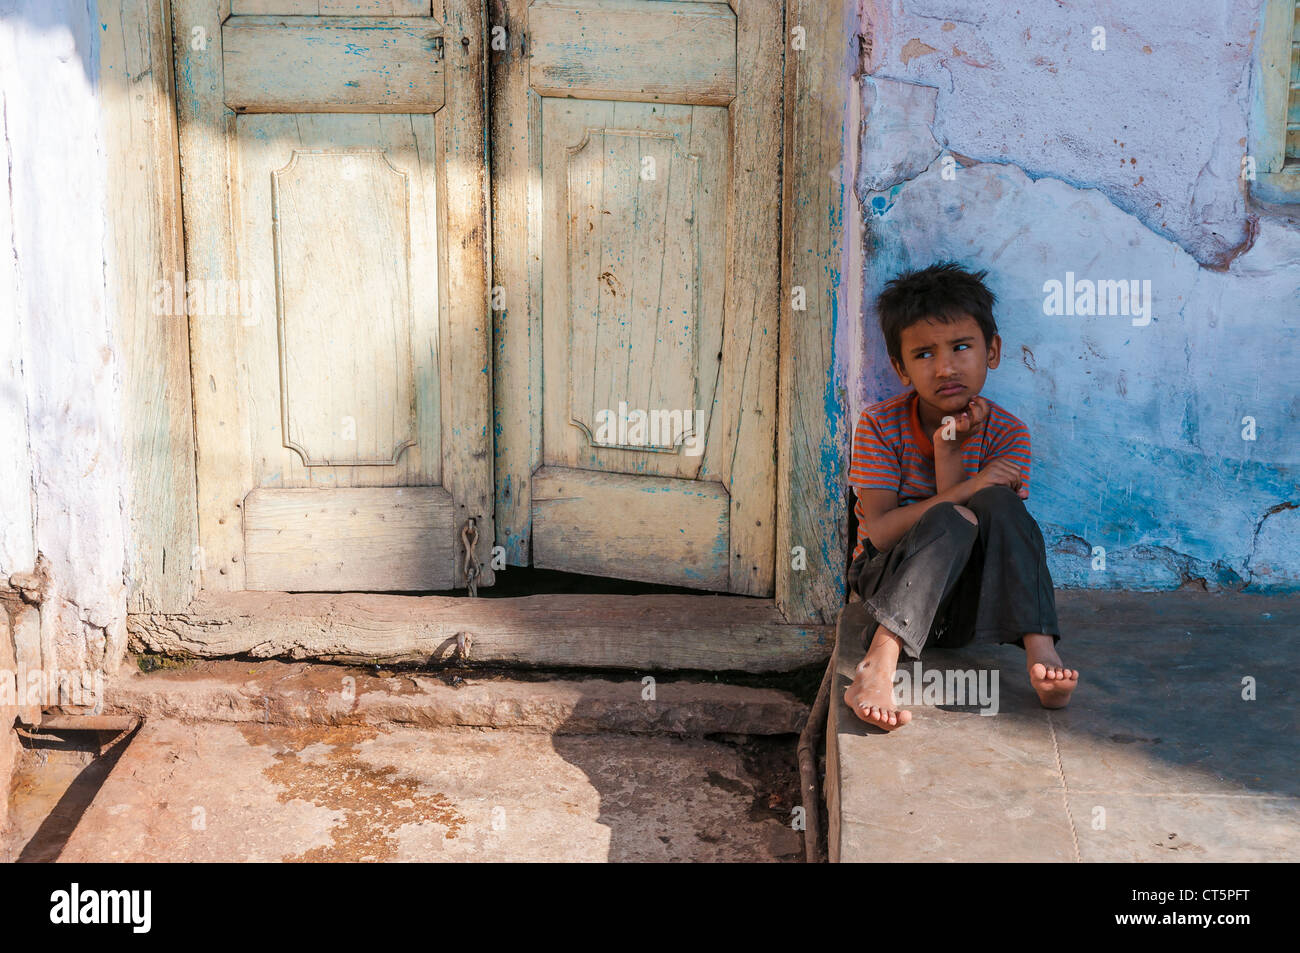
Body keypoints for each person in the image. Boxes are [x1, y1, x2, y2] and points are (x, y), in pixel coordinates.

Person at [844, 262, 1078, 731]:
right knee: (957, 513)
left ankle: (1040, 648)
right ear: (900, 368)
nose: (946, 367)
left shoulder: (1008, 433)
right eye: (924, 354)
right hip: (888, 585)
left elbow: (994, 535)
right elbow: (884, 534)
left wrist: (952, 450)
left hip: (968, 609)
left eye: (962, 347)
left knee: (1000, 506)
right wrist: (968, 480)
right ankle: (878, 661)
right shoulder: (879, 426)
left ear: (992, 351)